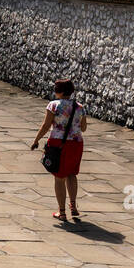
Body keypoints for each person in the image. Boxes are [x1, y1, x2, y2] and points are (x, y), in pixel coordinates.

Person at [30, 78, 87, 222]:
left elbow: (46, 125)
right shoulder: (79, 107)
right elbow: (84, 128)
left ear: (60, 92)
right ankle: (73, 206)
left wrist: (36, 140)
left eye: (56, 89)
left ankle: (62, 212)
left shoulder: (53, 105)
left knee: (59, 177)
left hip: (58, 143)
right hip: (76, 143)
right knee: (72, 174)